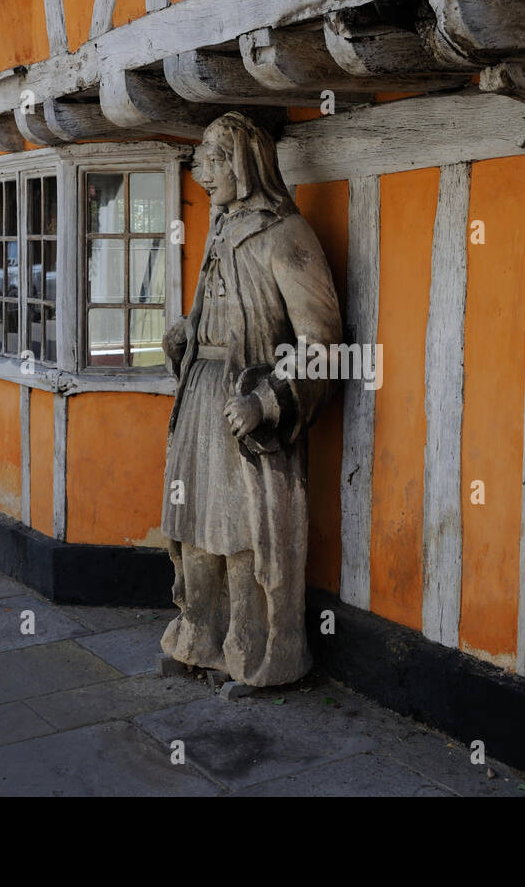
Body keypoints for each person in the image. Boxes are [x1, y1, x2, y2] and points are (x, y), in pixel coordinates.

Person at [159, 112, 343, 687]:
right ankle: (199, 634)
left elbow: (323, 343)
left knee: (241, 531)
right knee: (191, 521)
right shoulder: (220, 227)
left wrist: (267, 401)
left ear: (242, 161)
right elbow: (211, 314)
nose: (202, 176)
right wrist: (186, 338)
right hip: (199, 397)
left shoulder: (285, 234)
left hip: (247, 407)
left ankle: (253, 649)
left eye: (211, 162)